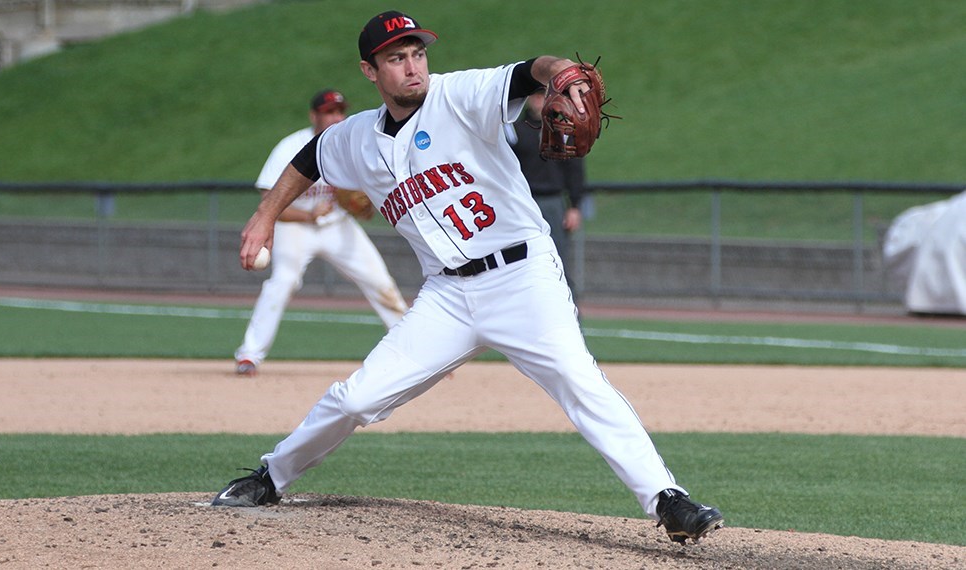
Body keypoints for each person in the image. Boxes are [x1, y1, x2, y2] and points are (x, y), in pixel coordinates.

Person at [213, 9, 724, 545]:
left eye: (417, 53)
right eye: (396, 58)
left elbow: (530, 71)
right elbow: (311, 156)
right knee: (357, 399)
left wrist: (562, 73)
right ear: (370, 71)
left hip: (523, 276)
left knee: (579, 381)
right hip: (447, 296)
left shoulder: (460, 95)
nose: (412, 66)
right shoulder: (357, 137)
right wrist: (265, 214)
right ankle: (271, 477)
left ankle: (668, 499)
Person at [233, 89, 408, 376]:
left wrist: (365, 202)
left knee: (381, 282)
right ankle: (249, 355)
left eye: (339, 111)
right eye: (329, 112)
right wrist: (307, 214)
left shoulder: (353, 143)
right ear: (314, 115)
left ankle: (413, 352)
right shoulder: (291, 146)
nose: (336, 117)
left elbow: (368, 195)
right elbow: (268, 203)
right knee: (283, 282)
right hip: (295, 228)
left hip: (338, 227)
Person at [507, 88, 585, 298]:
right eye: (535, 96)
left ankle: (571, 315)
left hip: (553, 202)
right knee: (520, 261)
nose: (539, 100)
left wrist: (575, 206)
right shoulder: (514, 131)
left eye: (543, 96)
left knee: (557, 259)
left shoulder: (563, 129)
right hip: (523, 204)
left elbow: (574, 170)